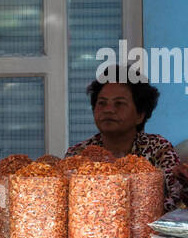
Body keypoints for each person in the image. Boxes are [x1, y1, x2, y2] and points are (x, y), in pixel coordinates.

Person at [66, 71, 182, 208]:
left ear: (140, 115)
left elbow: (179, 196)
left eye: (119, 104)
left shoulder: (158, 148)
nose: (108, 110)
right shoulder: (78, 154)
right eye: (102, 103)